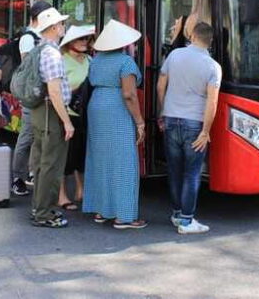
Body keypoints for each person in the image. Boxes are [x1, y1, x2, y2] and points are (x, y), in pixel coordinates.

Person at [157, 22, 221, 234]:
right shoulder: (213, 66)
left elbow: (160, 85)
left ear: (192, 36)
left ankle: (176, 214)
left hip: (171, 118)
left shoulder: (174, 55)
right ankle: (186, 221)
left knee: (174, 171)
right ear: (210, 41)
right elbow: (212, 102)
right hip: (194, 123)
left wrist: (162, 111)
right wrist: (206, 131)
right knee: (192, 174)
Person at [83, 19, 147, 229]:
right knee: (124, 162)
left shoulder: (96, 60)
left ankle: (101, 210)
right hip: (116, 109)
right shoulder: (125, 62)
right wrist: (139, 122)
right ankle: (124, 216)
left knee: (100, 160)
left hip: (97, 106)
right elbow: (129, 94)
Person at [28, 6, 75, 228]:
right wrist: (66, 121)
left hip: (39, 112)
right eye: (62, 24)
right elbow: (55, 91)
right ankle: (44, 213)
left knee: (40, 163)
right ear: (54, 27)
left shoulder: (39, 49)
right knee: (51, 165)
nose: (64, 27)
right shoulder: (52, 54)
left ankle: (39, 208)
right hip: (51, 113)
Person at [11, 0, 52, 196]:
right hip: (32, 96)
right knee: (26, 136)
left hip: (44, 95)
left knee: (38, 138)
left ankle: (32, 172)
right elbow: (28, 68)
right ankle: (17, 177)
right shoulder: (28, 38)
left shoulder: (44, 37)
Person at [57, 24, 95, 211]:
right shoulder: (62, 60)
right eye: (81, 39)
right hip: (68, 114)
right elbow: (57, 89)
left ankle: (81, 190)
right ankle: (61, 195)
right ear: (70, 42)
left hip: (85, 114)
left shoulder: (89, 59)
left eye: (86, 39)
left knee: (82, 154)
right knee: (65, 156)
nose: (84, 42)